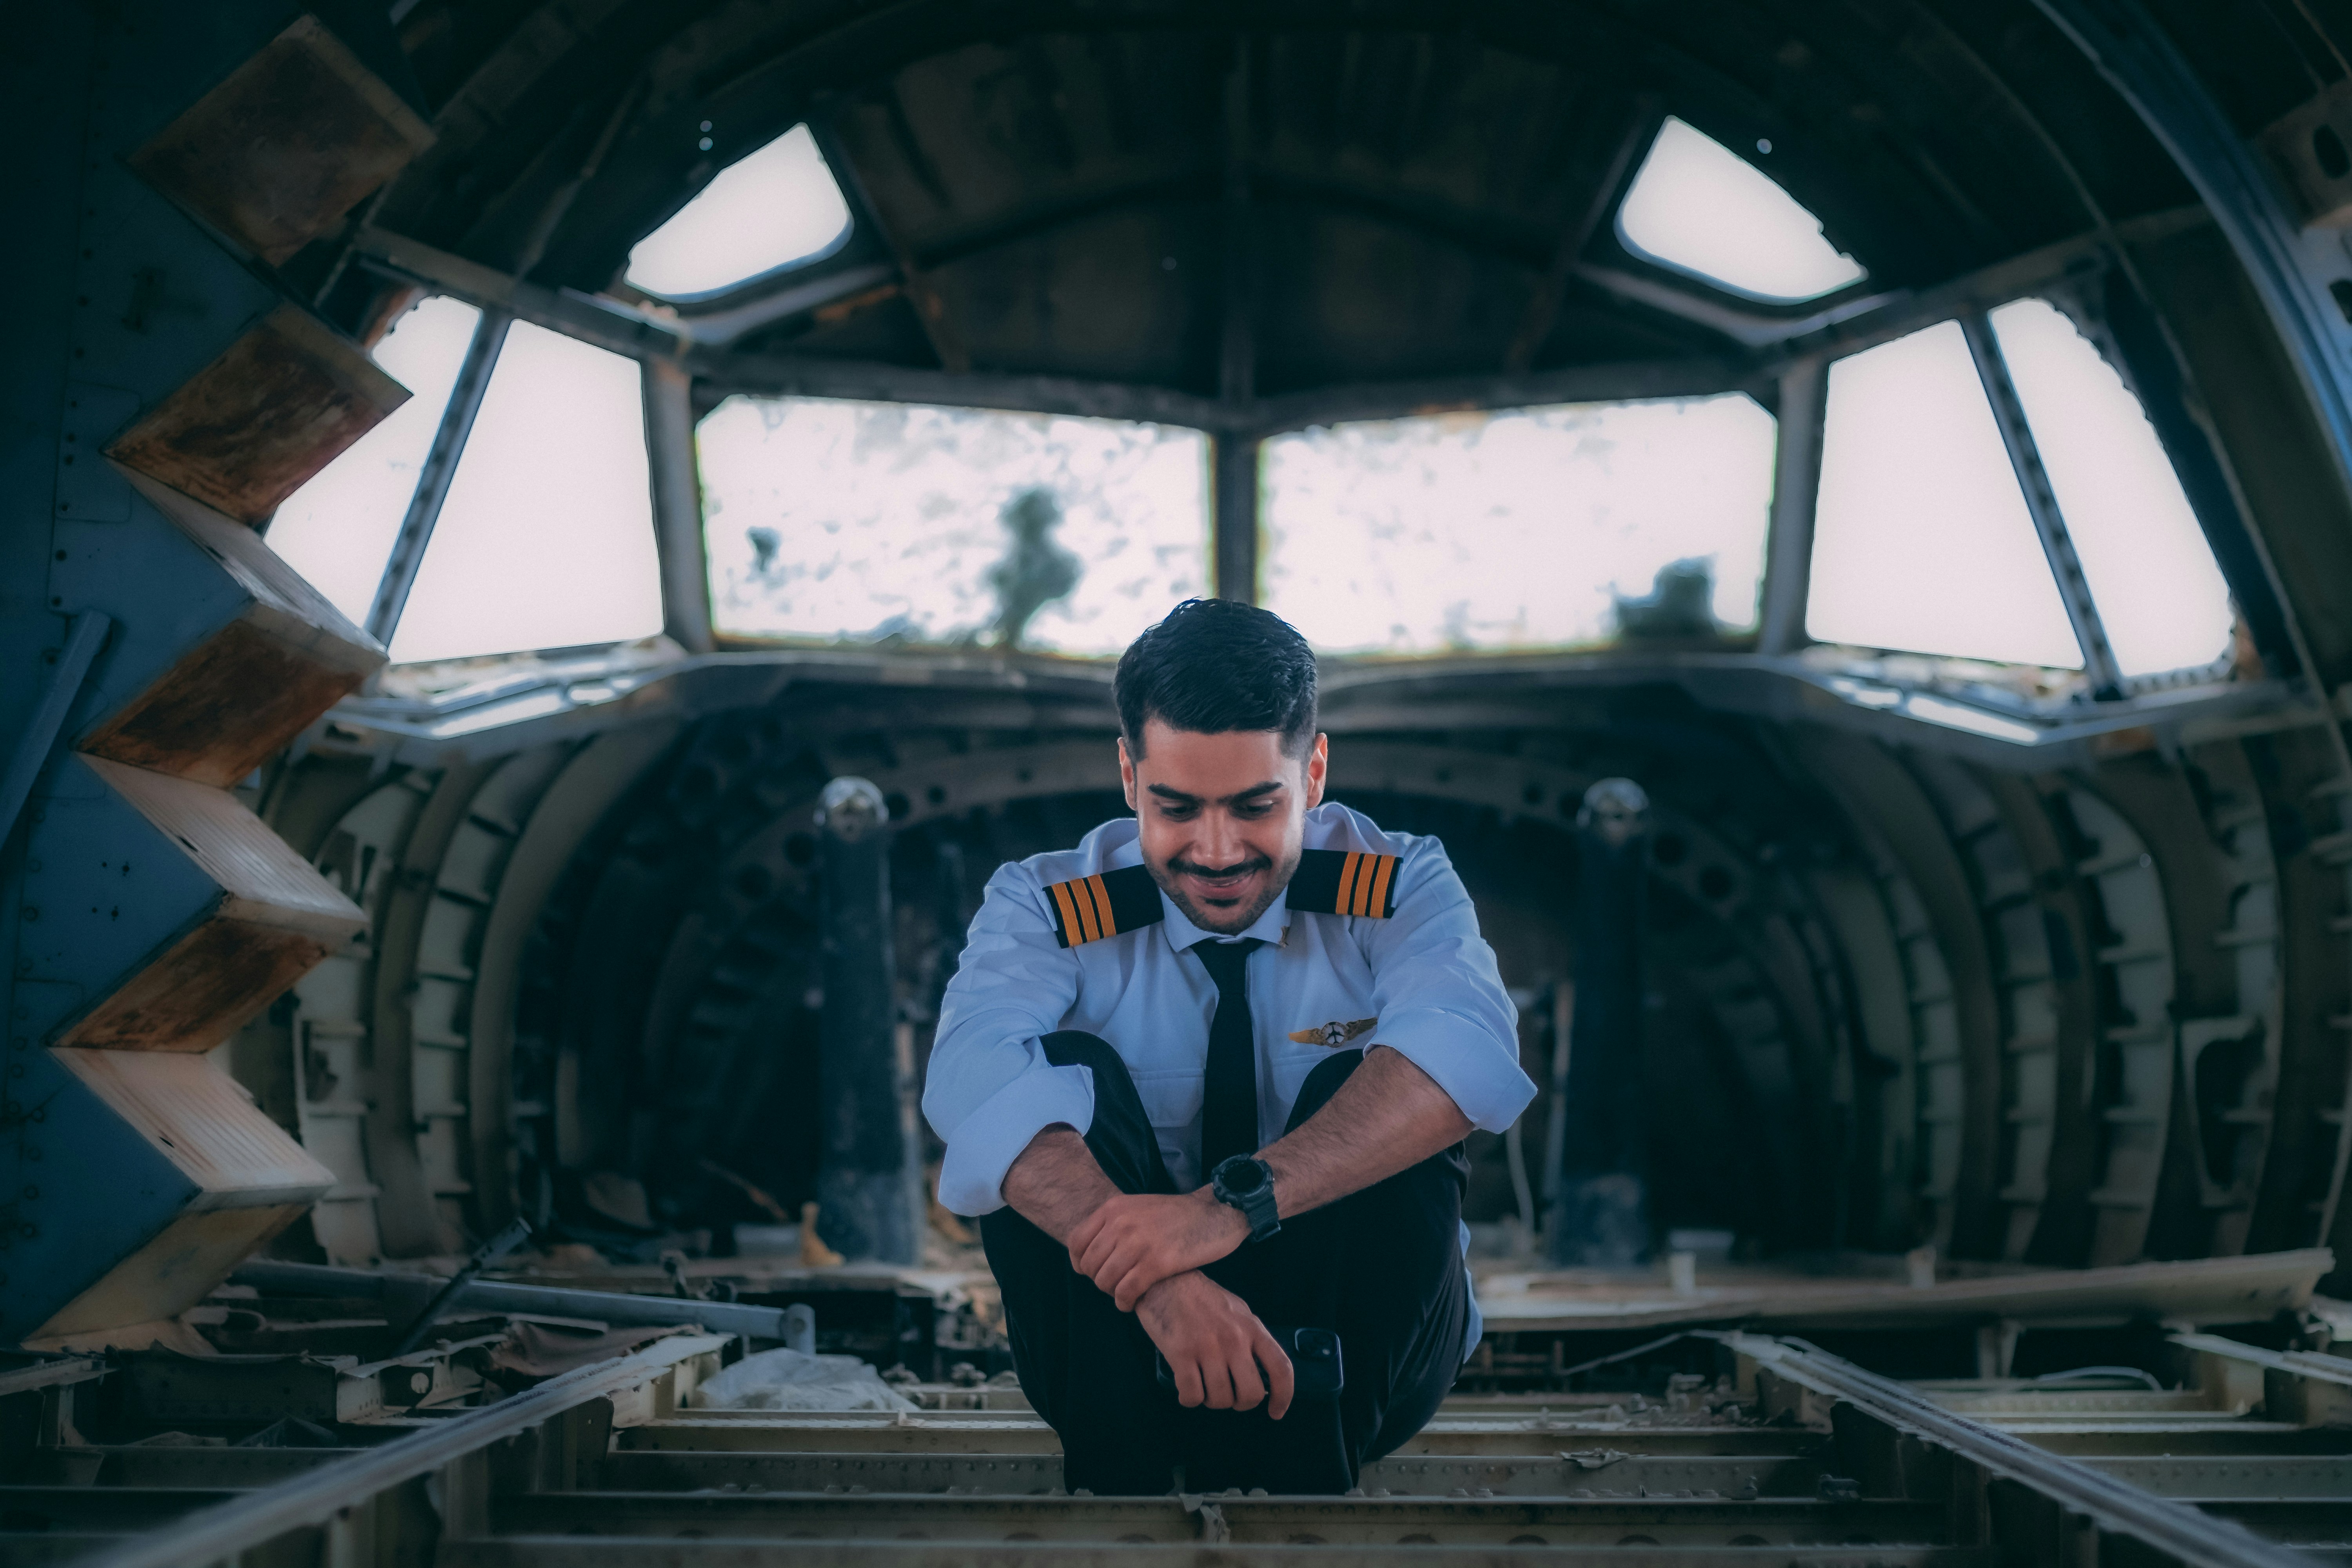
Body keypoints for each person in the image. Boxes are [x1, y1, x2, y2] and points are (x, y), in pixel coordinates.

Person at [924, 599, 1534, 1495]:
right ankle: (1119, 1504)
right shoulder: (1046, 906)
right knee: (1054, 1081)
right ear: (1129, 776)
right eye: (1176, 806)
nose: (1216, 851)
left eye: (1256, 806)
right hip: (1123, 1348)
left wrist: (1220, 1214)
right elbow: (971, 1077)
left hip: (1367, 1364)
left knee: (1386, 1085)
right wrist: (1161, 1281)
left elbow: (1464, 1049)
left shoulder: (1397, 884)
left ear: (1314, 771)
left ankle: (1308, 1504)